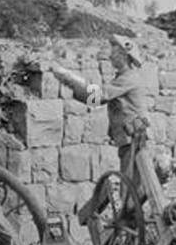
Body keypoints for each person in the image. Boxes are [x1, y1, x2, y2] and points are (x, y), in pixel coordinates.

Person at [43, 34, 150, 175]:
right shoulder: (125, 77)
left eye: (114, 53)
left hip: (134, 139)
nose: (110, 56)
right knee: (132, 183)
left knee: (131, 185)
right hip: (130, 138)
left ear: (123, 56)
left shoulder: (128, 78)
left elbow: (98, 97)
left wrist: (68, 78)